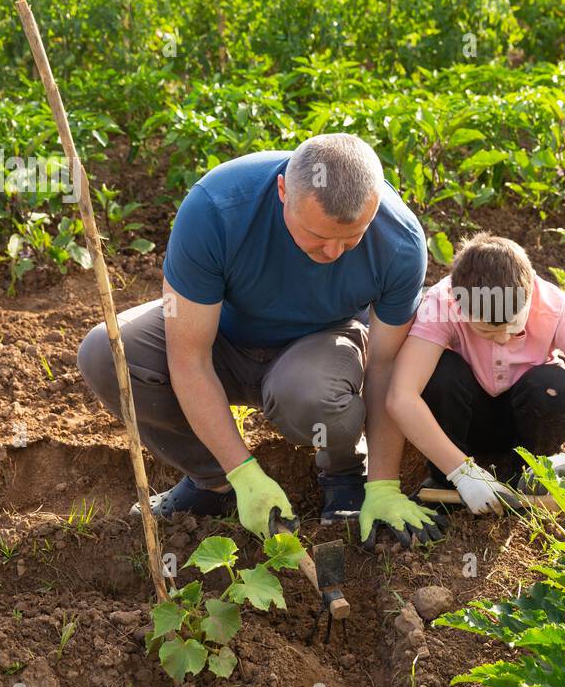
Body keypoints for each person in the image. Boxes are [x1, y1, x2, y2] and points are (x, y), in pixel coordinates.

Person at [77, 134, 445, 548]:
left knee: (313, 394)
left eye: (352, 237)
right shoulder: (216, 209)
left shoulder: (399, 241)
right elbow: (190, 357)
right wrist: (241, 471)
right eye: (317, 235)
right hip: (221, 339)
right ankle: (214, 482)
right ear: (283, 190)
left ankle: (345, 472)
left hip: (320, 347)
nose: (335, 251)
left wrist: (384, 484)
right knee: (108, 352)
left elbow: (384, 365)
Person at [386, 233, 565, 514]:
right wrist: (462, 472)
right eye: (486, 331)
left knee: (553, 389)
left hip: (524, 420)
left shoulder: (550, 305)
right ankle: (448, 477)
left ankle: (529, 473)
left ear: (530, 291)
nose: (504, 339)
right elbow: (401, 397)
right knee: (441, 375)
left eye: (514, 326)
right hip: (466, 424)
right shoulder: (441, 305)